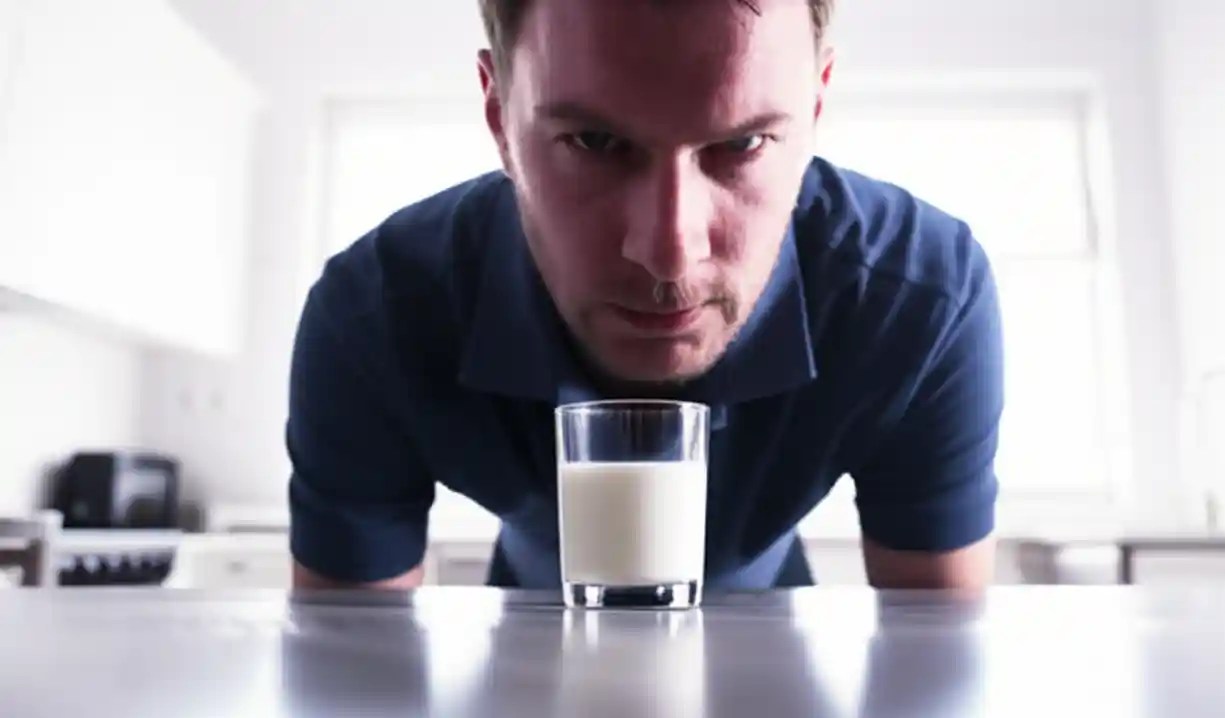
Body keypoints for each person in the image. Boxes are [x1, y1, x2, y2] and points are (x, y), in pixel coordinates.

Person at [288, 0, 1003, 592]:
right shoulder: (374, 316)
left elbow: (935, 657)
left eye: (745, 145)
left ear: (815, 106)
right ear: (500, 115)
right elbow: (352, 670)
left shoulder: (919, 299)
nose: (668, 252)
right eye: (595, 142)